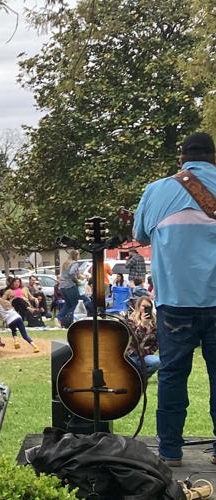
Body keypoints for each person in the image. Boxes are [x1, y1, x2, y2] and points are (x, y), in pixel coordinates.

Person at [134, 131, 216, 467]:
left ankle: (169, 452)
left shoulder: (158, 190)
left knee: (172, 375)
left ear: (181, 159)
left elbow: (139, 235)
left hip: (175, 302)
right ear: (213, 158)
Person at [126, 296, 160, 381]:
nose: (145, 309)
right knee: (129, 371)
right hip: (131, 354)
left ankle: (143, 377)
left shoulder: (154, 322)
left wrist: (147, 352)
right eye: (143, 306)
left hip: (145, 354)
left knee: (157, 362)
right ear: (138, 306)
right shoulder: (131, 320)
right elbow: (132, 341)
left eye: (148, 307)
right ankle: (137, 376)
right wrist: (142, 326)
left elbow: (157, 342)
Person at [56, 249, 84, 328]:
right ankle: (70, 320)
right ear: (75, 255)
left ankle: (59, 318)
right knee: (75, 304)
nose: (79, 256)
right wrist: (77, 281)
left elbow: (67, 273)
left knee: (68, 304)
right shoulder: (74, 263)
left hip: (62, 286)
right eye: (78, 255)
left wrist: (79, 275)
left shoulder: (66, 262)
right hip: (70, 286)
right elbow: (72, 273)